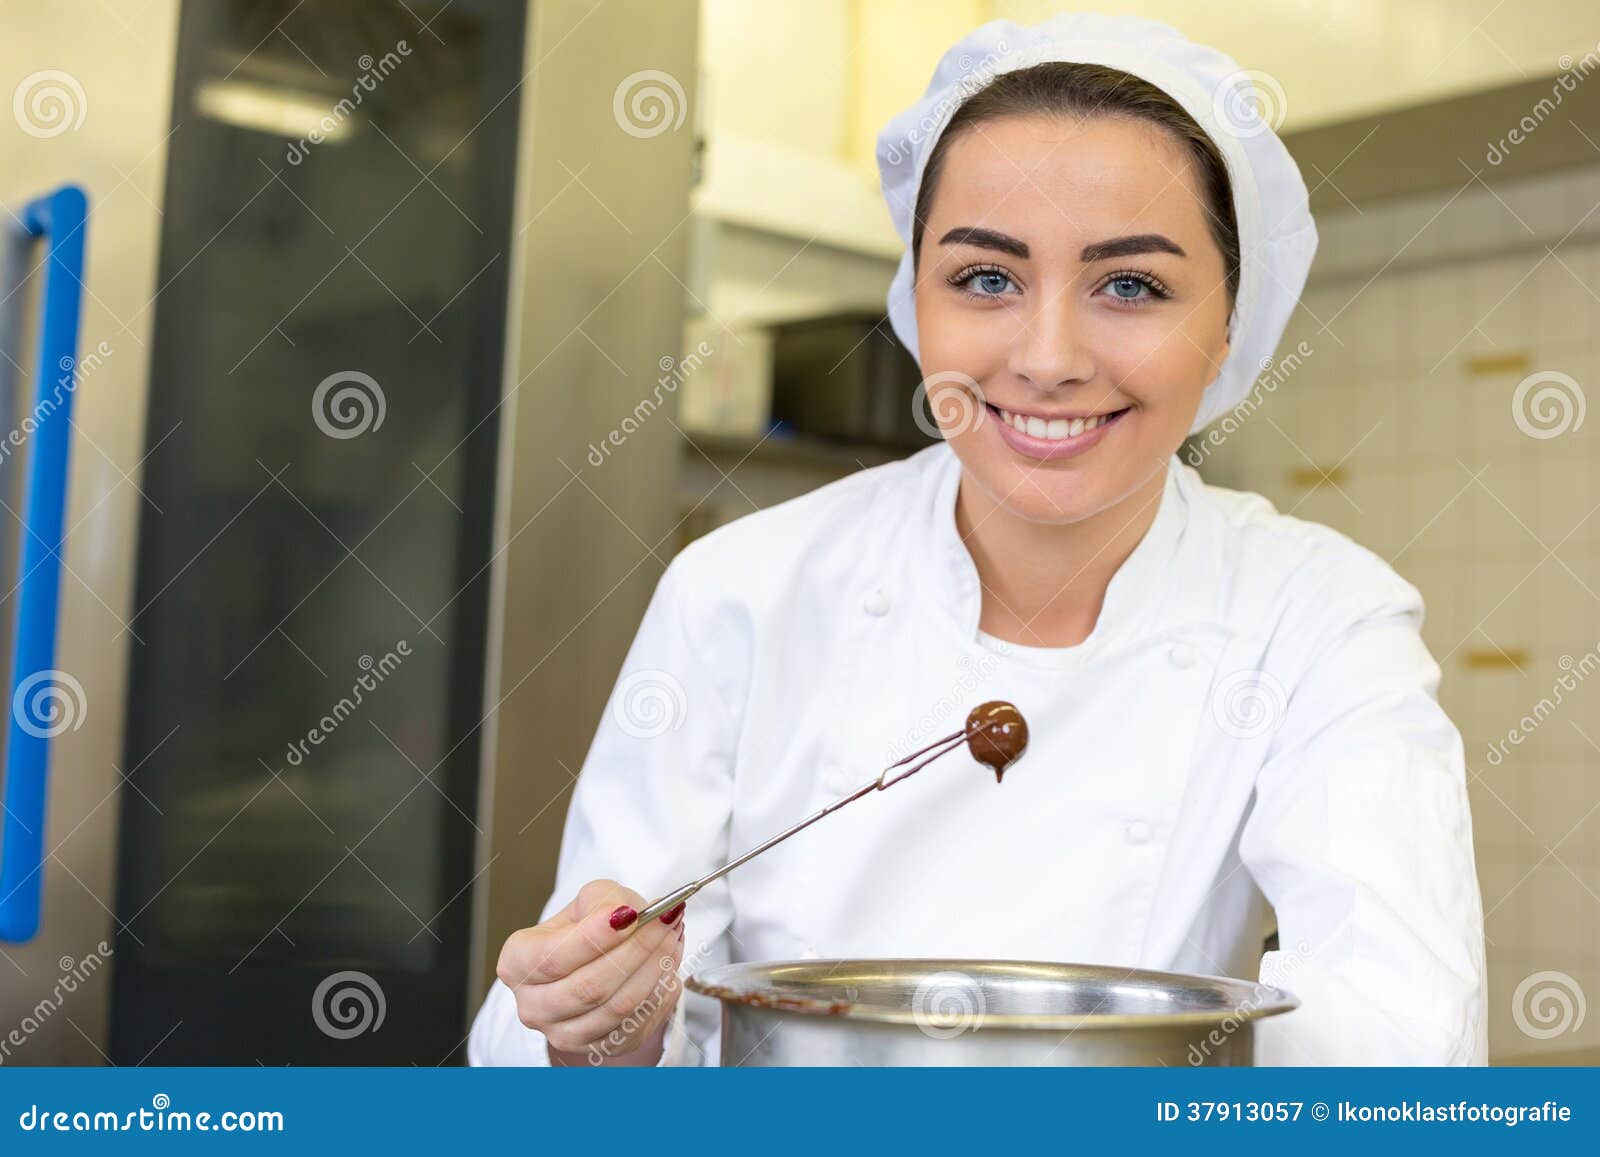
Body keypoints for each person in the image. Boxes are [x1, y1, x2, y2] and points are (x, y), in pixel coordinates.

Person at [469, 12, 1487, 1067]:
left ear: (1230, 320)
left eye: (1129, 284)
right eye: (987, 278)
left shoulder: (1315, 617)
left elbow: (1398, 1049)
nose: (1047, 359)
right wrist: (606, 1022)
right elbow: (537, 1051)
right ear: (916, 299)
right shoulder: (743, 588)